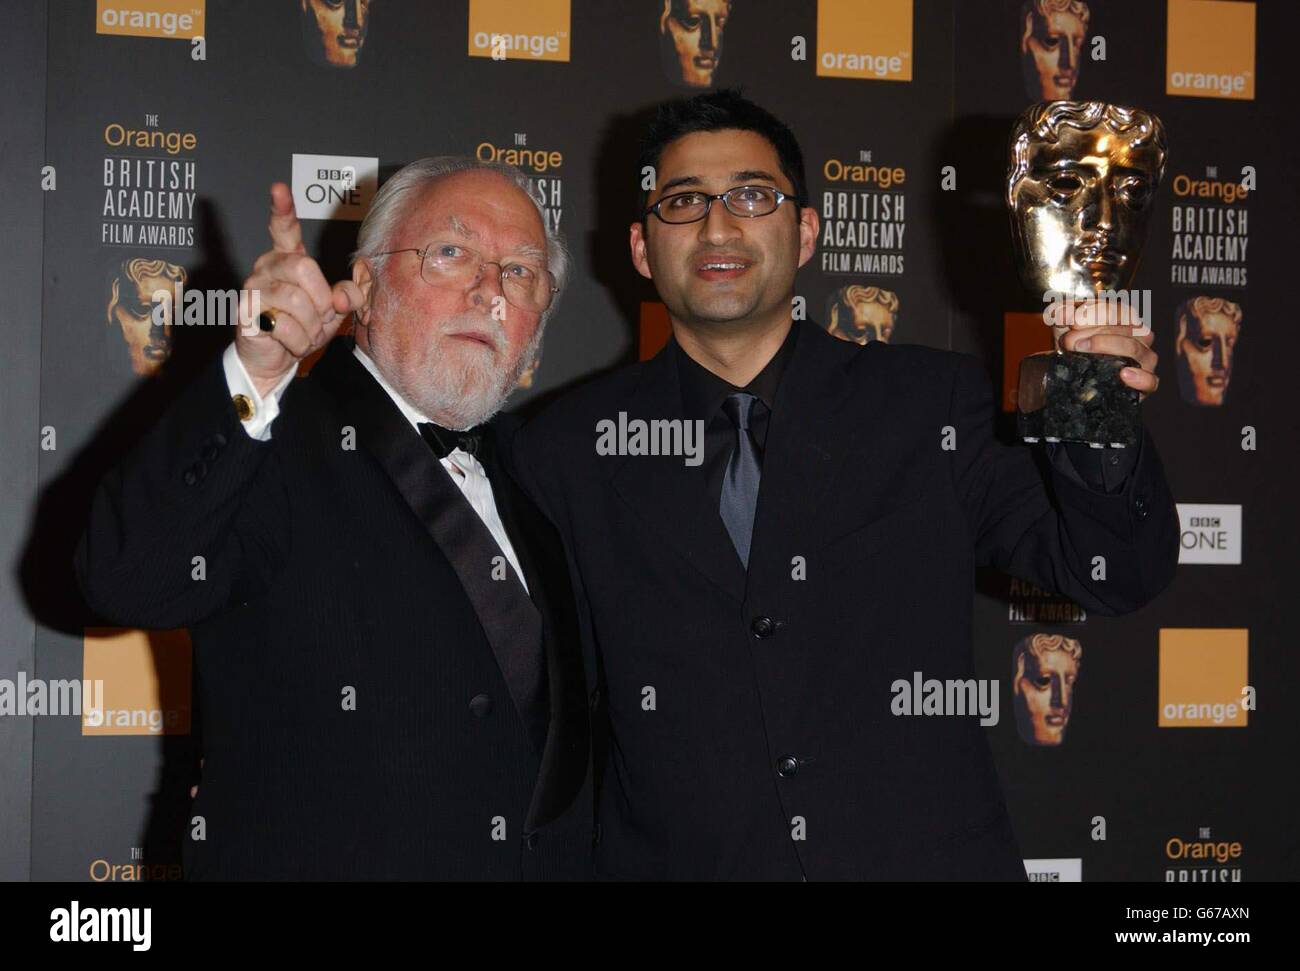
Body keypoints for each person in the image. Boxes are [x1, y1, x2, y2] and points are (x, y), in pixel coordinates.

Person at [514, 89, 1179, 880]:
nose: (718, 226)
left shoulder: (937, 404)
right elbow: (544, 719)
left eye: (754, 195)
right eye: (683, 201)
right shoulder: (560, 447)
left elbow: (1111, 573)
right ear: (638, 246)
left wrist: (1092, 403)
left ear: (806, 234)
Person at [76, 157, 591, 880]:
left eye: (521, 273)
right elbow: (128, 576)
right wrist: (253, 372)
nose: (488, 291)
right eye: (451, 253)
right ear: (368, 287)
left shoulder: (546, 474)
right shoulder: (275, 438)